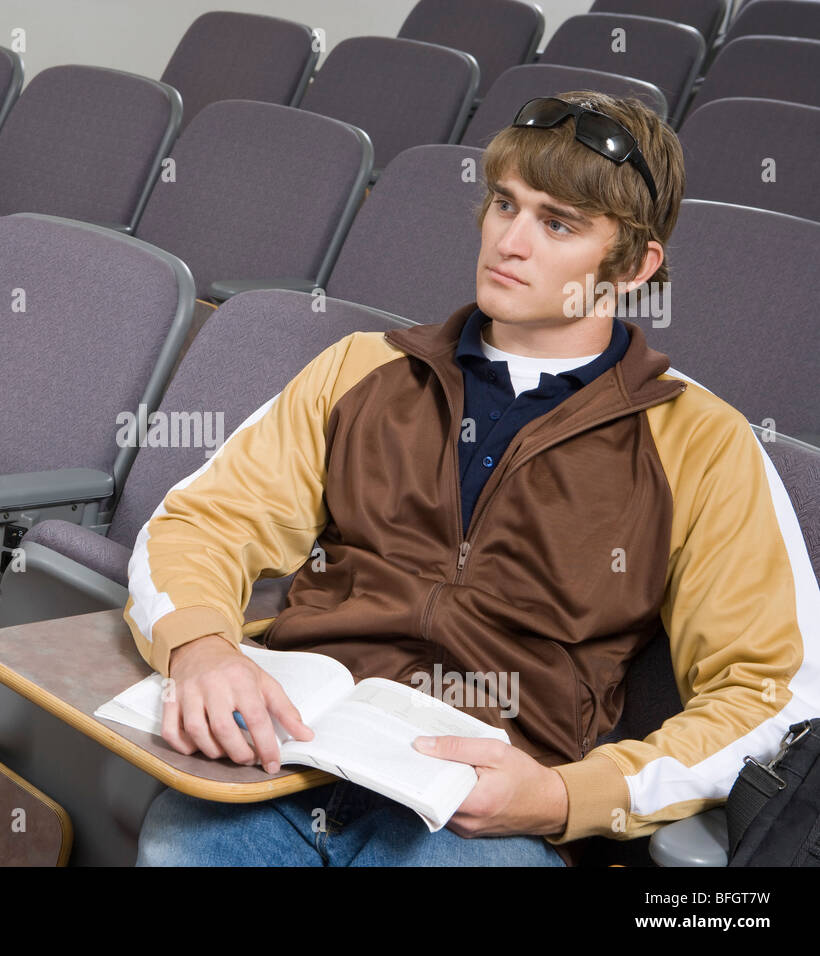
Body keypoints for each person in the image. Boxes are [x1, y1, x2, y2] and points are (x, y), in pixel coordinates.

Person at [122, 91, 817, 866]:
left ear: (635, 265)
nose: (509, 242)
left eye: (557, 224)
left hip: (491, 811)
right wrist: (202, 650)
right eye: (503, 204)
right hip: (296, 761)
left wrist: (569, 797)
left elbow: (773, 696)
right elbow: (198, 525)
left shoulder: (703, 442)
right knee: (178, 846)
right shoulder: (364, 369)